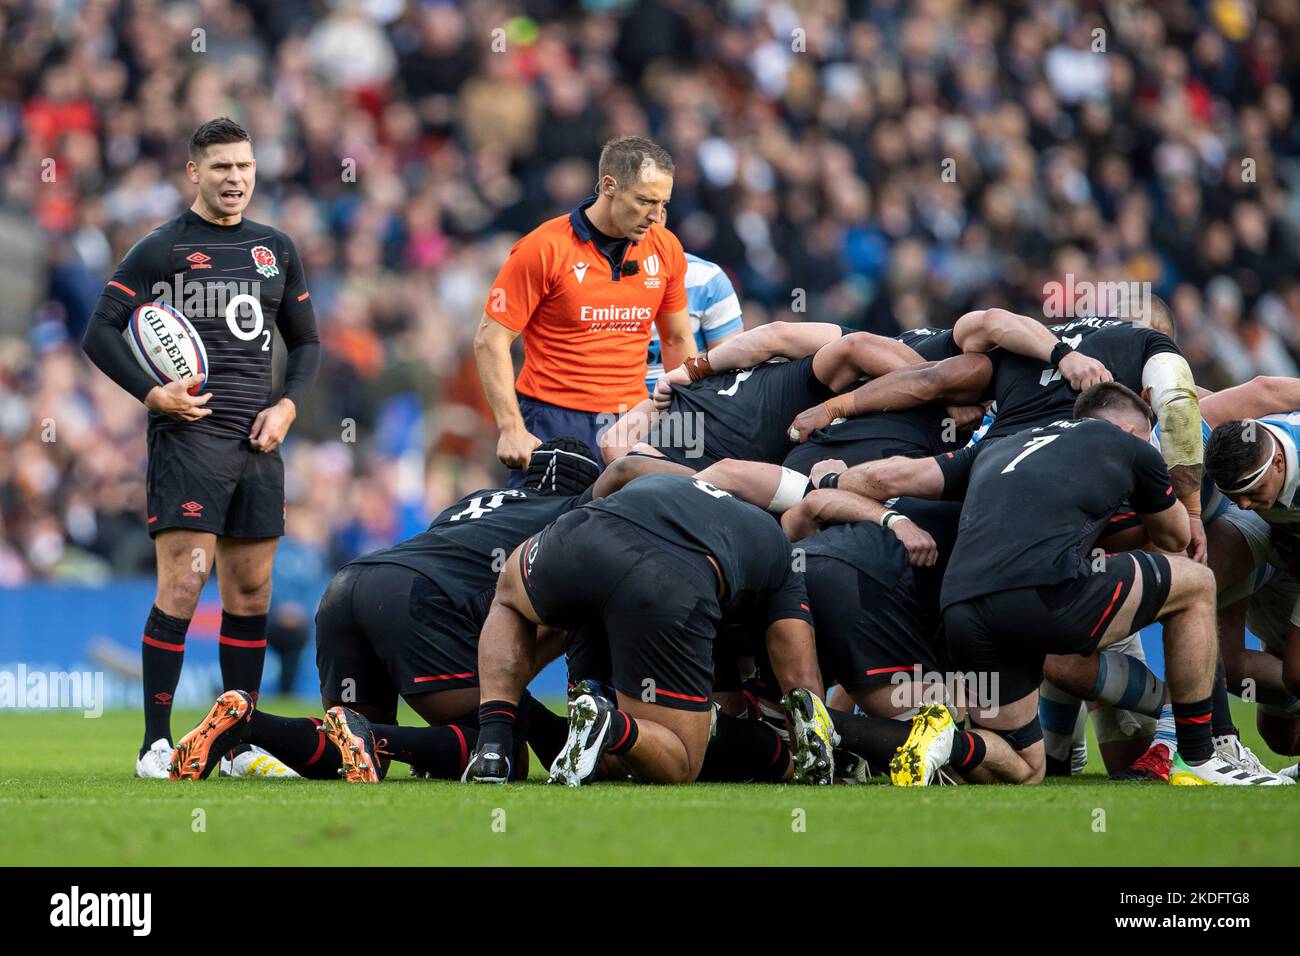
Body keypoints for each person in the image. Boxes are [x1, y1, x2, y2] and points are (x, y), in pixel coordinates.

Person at [829, 382, 1279, 785]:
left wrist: (828, 480)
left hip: (963, 610)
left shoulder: (998, 445)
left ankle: (947, 742)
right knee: (1197, 584)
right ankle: (1199, 756)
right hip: (1045, 593)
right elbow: (1176, 537)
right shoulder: (1130, 447)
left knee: (1026, 769)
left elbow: (888, 476)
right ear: (1130, 428)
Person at [80, 117, 320, 778]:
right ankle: (155, 744)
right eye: (220, 168)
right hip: (188, 439)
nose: (235, 179)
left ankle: (238, 746)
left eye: (243, 166)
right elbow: (100, 332)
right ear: (194, 172)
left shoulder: (276, 248)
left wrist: (288, 405)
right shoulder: (161, 249)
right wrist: (151, 395)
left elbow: (306, 342)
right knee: (185, 584)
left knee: (250, 594)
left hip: (258, 440)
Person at [167, 439, 600, 783]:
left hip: (349, 585)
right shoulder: (567, 519)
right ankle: (373, 737)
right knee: (496, 744)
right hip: (415, 597)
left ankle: (247, 723)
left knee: (345, 749)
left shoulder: (480, 499)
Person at [462, 473, 836, 786]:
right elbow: (800, 675)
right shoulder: (780, 551)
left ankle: (493, 748)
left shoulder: (678, 482)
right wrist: (812, 739)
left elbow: (624, 467)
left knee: (509, 595)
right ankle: (612, 725)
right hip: (665, 576)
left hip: (584, 534)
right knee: (683, 760)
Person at [474, 136, 696, 484]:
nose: (656, 216)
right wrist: (511, 428)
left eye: (663, 203)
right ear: (609, 186)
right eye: (644, 201)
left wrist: (690, 417)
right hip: (553, 421)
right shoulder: (543, 248)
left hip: (630, 422)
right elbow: (491, 340)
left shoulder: (666, 247)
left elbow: (678, 338)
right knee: (543, 535)